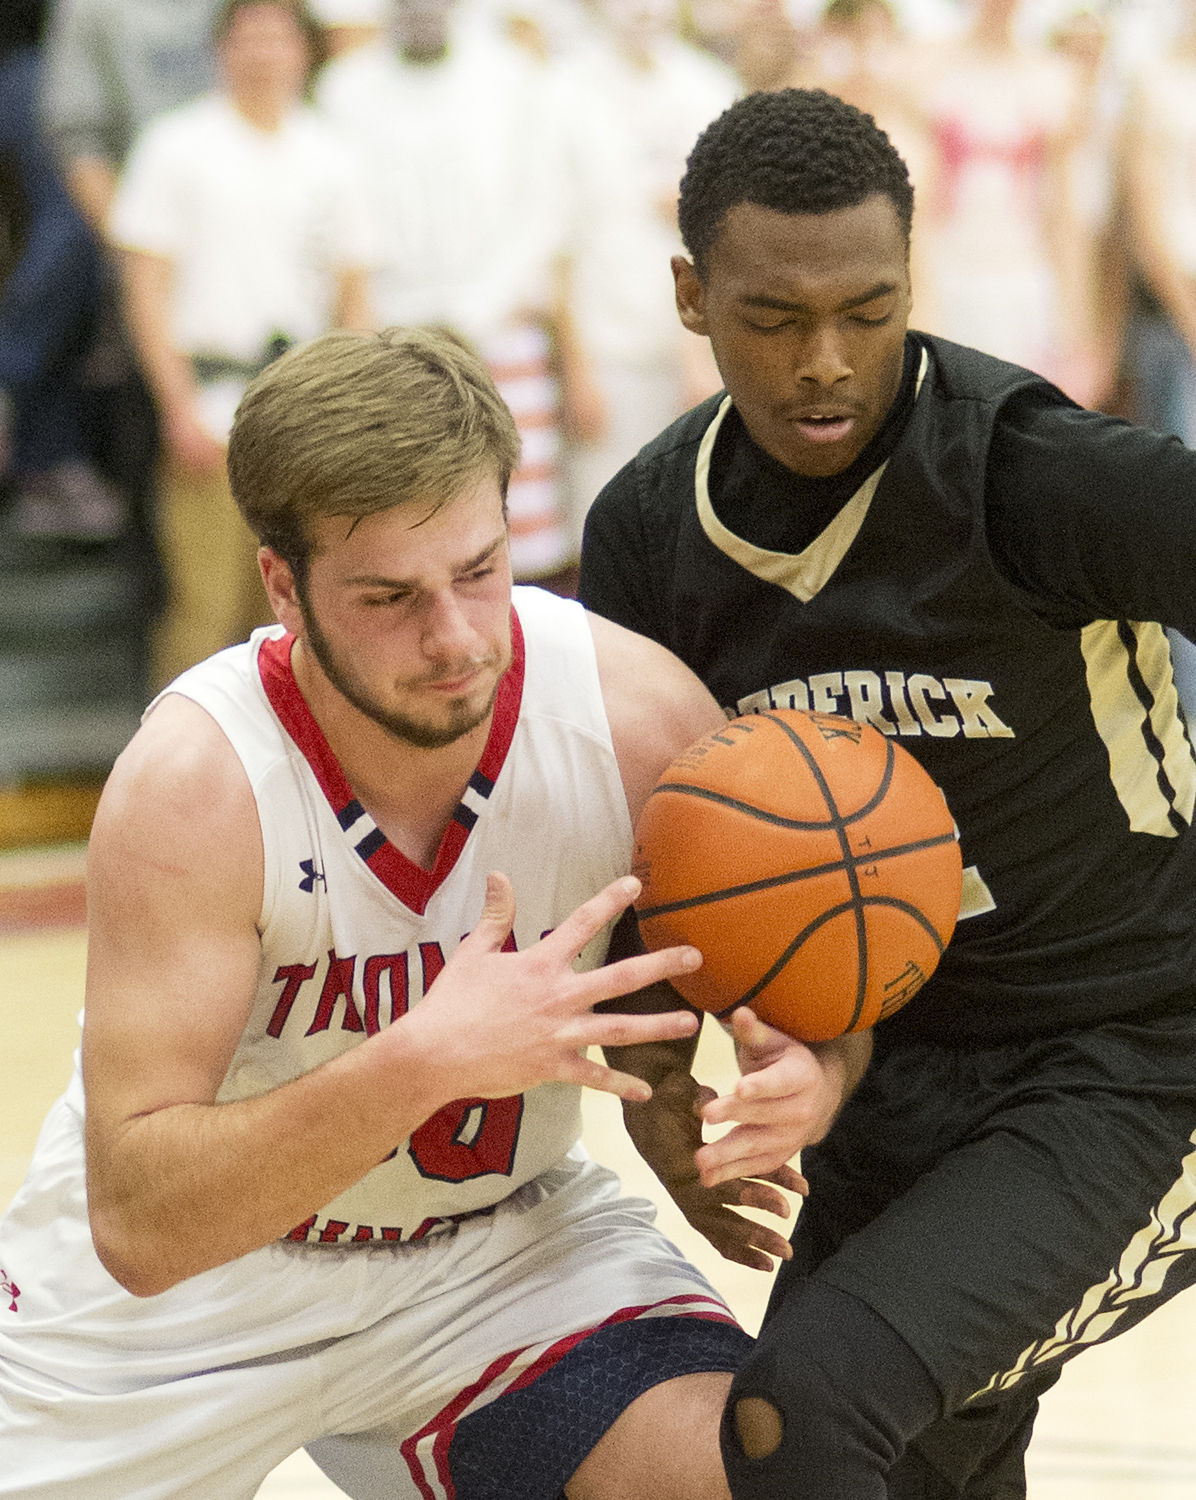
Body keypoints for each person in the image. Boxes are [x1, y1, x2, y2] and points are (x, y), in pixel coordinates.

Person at [0, 323, 815, 1498]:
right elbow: (140, 1224)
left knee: (757, 1475)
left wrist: (765, 1081)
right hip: (181, 1302)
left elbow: (764, 986)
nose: (454, 639)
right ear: (282, 585)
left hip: (496, 1254)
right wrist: (424, 1060)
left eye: (479, 571)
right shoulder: (198, 784)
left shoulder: (632, 717)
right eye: (388, 597)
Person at [579, 86, 1196, 1498]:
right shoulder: (649, 534)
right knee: (866, 1455)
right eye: (776, 319)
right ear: (691, 296)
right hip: (889, 1066)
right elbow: (647, 839)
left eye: (870, 310)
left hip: (1137, 1055)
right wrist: (662, 1074)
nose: (827, 363)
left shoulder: (1028, 477)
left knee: (812, 1410)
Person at [109, 0, 376, 688]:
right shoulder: (176, 145)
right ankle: (176, 777)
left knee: (302, 613)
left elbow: (354, 296)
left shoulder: (333, 152)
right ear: (221, 49)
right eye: (247, 36)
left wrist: (349, 416)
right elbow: (145, 289)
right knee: (203, 609)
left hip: (303, 410)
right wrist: (174, 404)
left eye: (278, 37)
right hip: (208, 401)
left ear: (304, 51)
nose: (263, 51)